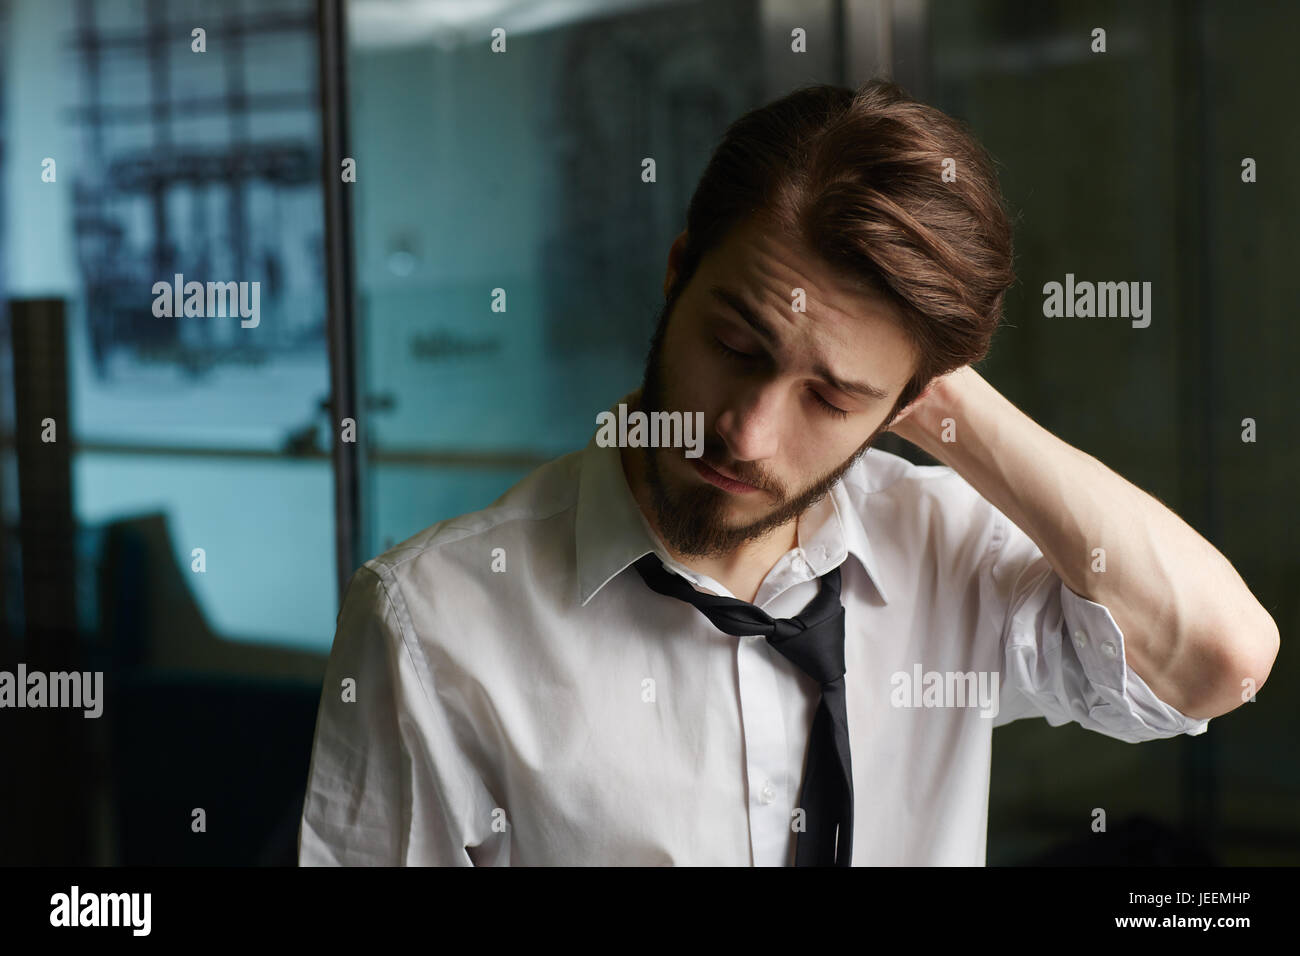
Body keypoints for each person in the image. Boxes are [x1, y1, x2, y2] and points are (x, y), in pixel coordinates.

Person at [297, 79, 1278, 866]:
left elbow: (1218, 658)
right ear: (677, 272)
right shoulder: (432, 620)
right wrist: (848, 377)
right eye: (736, 341)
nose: (749, 432)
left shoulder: (938, 546)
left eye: (830, 396)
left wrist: (946, 407)